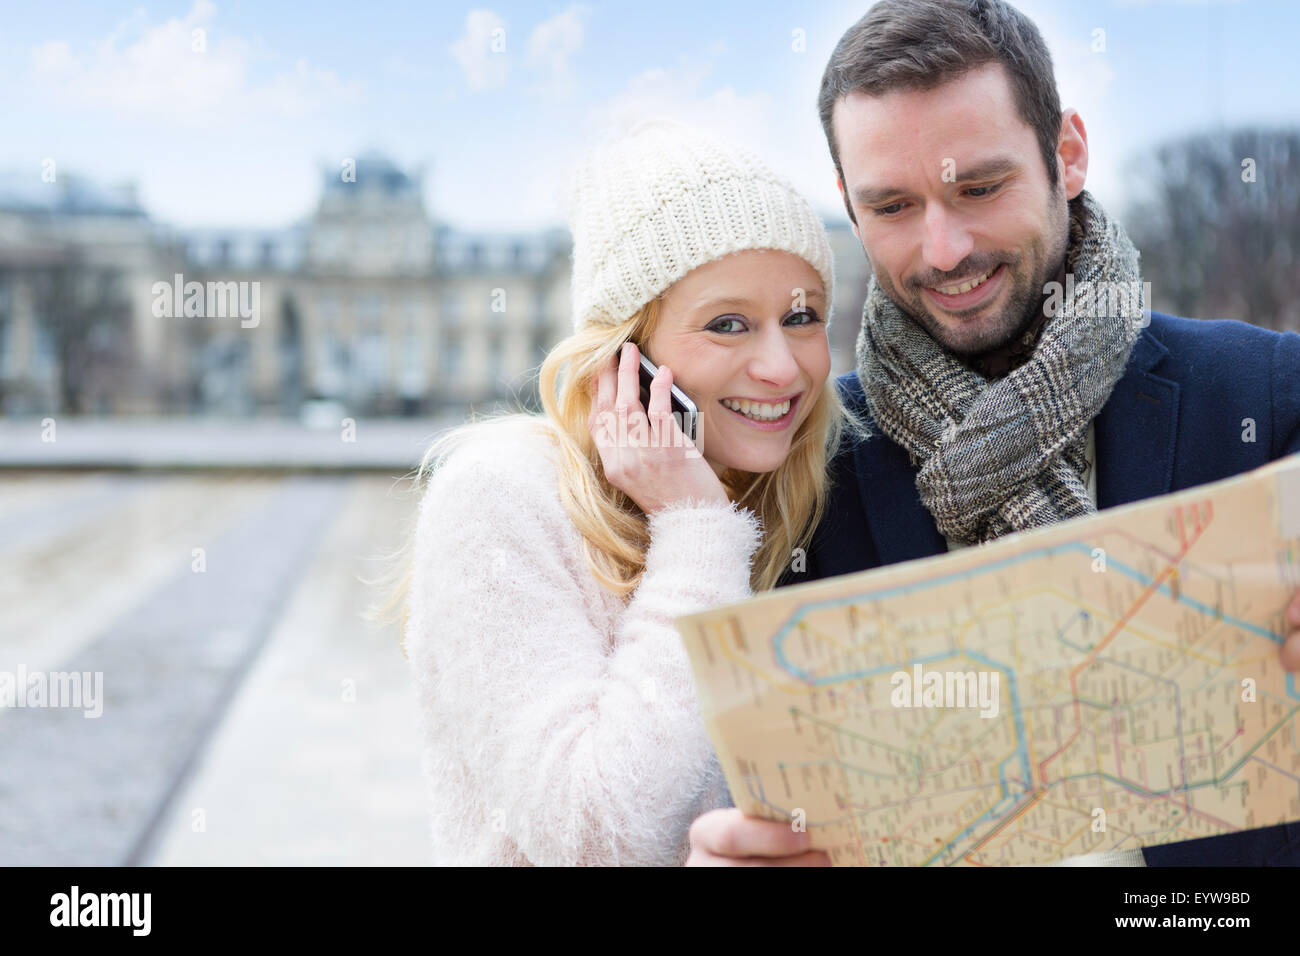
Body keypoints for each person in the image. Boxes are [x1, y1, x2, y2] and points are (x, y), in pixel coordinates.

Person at [688, 0, 1300, 867]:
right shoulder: (799, 476)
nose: (943, 249)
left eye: (979, 188)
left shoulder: (1269, 398)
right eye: (893, 205)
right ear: (849, 209)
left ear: (1068, 155)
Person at [386, 119, 866, 865]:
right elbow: (595, 839)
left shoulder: (788, 500)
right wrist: (696, 526)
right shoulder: (499, 500)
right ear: (625, 357)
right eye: (728, 324)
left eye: (801, 317)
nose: (783, 366)